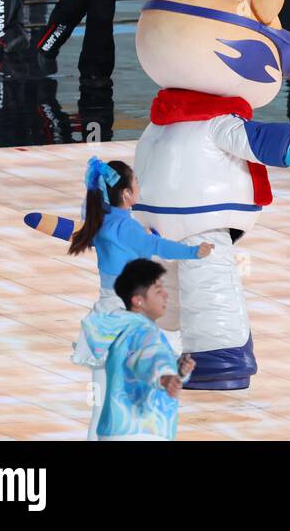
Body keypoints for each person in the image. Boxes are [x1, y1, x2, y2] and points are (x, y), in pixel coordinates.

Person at [68, 158, 211, 440]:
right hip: (126, 319)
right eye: (136, 182)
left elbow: (145, 244)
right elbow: (157, 246)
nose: (139, 186)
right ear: (127, 194)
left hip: (104, 315)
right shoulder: (127, 229)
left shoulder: (100, 221)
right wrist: (196, 252)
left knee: (102, 404)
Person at [88, 258, 195, 441]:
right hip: (141, 430)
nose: (165, 296)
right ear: (139, 301)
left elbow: (138, 361)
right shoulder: (143, 331)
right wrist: (165, 378)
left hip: (119, 429)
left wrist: (177, 371)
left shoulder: (127, 328)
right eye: (158, 290)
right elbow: (150, 360)